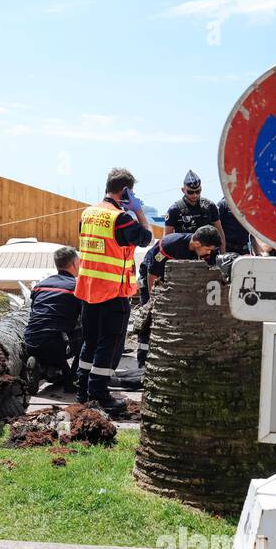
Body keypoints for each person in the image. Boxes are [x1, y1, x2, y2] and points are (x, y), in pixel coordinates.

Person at [75, 169, 153, 414]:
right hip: (113, 292)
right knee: (109, 344)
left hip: (89, 290)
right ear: (126, 191)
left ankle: (83, 389)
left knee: (89, 342)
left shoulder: (87, 213)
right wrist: (138, 210)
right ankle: (99, 392)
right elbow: (147, 237)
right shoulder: (121, 218)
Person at [135, 226, 224, 367]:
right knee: (150, 319)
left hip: (178, 280)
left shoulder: (207, 250)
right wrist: (153, 302)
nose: (209, 253)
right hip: (153, 277)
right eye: (207, 250)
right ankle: (143, 362)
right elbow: (152, 275)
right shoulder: (170, 245)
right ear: (197, 244)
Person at [24, 246, 83, 393]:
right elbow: (86, 317)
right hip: (57, 344)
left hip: (31, 341)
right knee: (89, 337)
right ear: (75, 263)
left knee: (52, 334)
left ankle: (42, 365)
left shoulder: (39, 286)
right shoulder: (76, 287)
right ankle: (72, 379)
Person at [164, 170, 223, 251]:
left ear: (201, 189)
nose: (195, 195)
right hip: (185, 255)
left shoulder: (210, 206)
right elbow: (167, 239)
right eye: (190, 192)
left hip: (208, 254)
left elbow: (220, 233)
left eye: (198, 191)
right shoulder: (174, 210)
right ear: (183, 190)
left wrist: (222, 254)